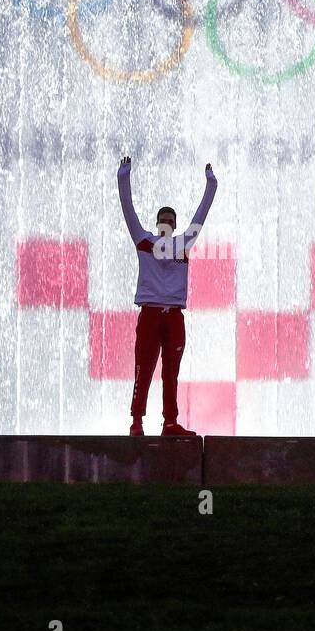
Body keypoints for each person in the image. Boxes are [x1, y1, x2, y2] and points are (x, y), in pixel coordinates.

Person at [117, 156, 217, 436]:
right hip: (149, 314)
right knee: (143, 369)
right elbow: (129, 211)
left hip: (174, 316)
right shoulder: (144, 240)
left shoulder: (183, 244)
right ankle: (136, 422)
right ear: (157, 222)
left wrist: (211, 184)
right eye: (162, 219)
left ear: (174, 225)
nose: (165, 223)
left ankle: (169, 423)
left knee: (170, 373)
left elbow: (202, 214)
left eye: (169, 220)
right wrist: (123, 177)